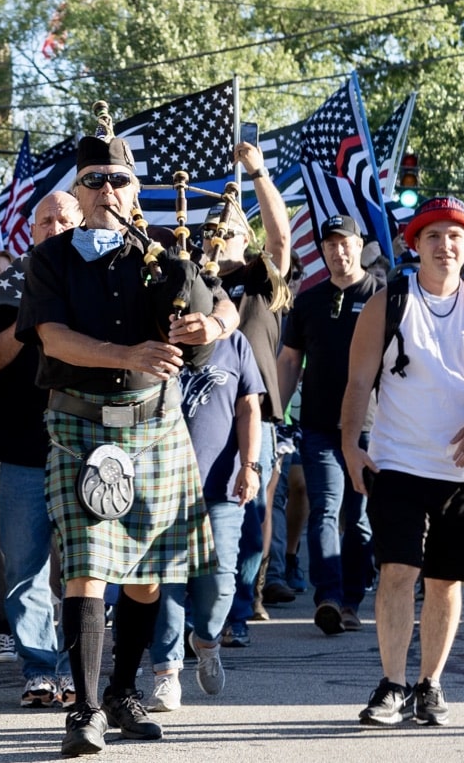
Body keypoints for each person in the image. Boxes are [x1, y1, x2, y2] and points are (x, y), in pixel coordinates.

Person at [17, 132, 238, 755]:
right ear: (78, 191)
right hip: (81, 425)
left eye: (118, 180)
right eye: (94, 180)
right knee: (86, 569)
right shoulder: (51, 259)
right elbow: (52, 338)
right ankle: (83, 711)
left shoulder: (169, 256)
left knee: (148, 576)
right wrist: (126, 353)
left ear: (134, 189)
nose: (107, 190)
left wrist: (210, 324)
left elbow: (223, 308)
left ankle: (120, 692)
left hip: (155, 426)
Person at [339, 197, 464, 727]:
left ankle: (430, 685)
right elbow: (359, 382)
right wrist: (350, 445)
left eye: (455, 237)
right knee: (397, 572)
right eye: (433, 236)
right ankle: (392, 685)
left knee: (446, 581)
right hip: (399, 462)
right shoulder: (388, 303)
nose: (445, 245)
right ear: (415, 245)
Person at [0, 190, 83, 708]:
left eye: (65, 217)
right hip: (22, 448)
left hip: (89, 445)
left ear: (81, 221)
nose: (55, 226)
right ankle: (41, 669)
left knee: (85, 565)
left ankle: (78, 670)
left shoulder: (104, 277)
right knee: (24, 567)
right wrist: (35, 311)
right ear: (32, 229)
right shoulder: (14, 279)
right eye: (45, 220)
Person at [145, 331, 263, 711]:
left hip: (222, 483)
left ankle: (207, 641)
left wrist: (250, 465)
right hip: (163, 482)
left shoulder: (235, 342)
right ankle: (167, 672)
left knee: (220, 582)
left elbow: (249, 407)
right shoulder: (154, 333)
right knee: (168, 581)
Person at [277, 214, 382, 635]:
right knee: (324, 509)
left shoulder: (381, 295)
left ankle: (353, 597)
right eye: (330, 245)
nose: (339, 252)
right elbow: (289, 360)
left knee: (358, 516)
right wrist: (275, 413)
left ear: (359, 246)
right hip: (318, 425)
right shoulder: (308, 300)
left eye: (345, 243)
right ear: (322, 251)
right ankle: (329, 598)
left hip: (371, 428)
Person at [215, 141, 292, 647]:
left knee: (248, 514)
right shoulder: (193, 280)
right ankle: (200, 611)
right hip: (198, 411)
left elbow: (282, 238)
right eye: (215, 231)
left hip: (255, 414)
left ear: (246, 237)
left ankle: (238, 612)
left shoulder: (262, 279)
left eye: (230, 230)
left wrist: (258, 173)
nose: (221, 237)